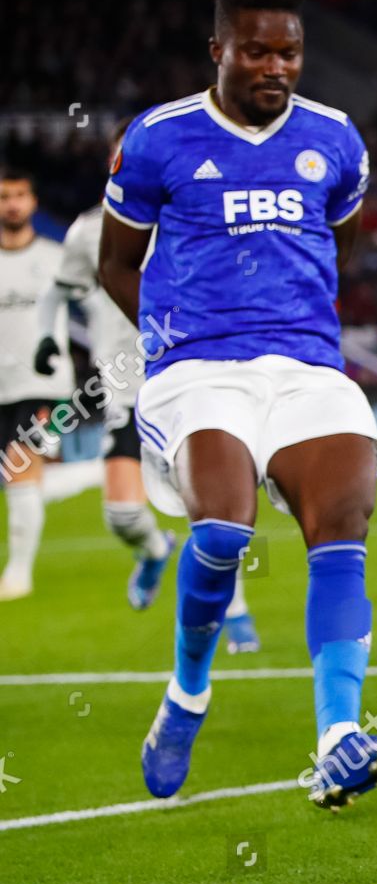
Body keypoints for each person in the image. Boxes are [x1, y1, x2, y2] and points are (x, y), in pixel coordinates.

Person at [97, 0, 377, 808]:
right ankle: (187, 694)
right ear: (219, 50)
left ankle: (340, 738)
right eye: (257, 51)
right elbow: (114, 263)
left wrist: (291, 323)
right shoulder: (160, 139)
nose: (276, 66)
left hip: (308, 368)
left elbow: (337, 243)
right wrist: (175, 341)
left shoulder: (336, 139)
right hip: (200, 372)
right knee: (225, 527)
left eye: (290, 51)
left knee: (344, 521)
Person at [35, 124, 226, 633]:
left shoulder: (188, 222)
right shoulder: (87, 230)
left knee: (214, 512)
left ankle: (237, 614)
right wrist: (45, 337)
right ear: (114, 160)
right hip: (124, 390)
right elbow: (57, 293)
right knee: (121, 515)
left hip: (188, 382)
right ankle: (155, 548)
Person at [0, 167, 75, 601]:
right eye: (5, 196)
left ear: (33, 203)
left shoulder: (55, 257)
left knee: (22, 465)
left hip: (43, 385)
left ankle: (19, 573)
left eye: (19, 195)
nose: (12, 203)